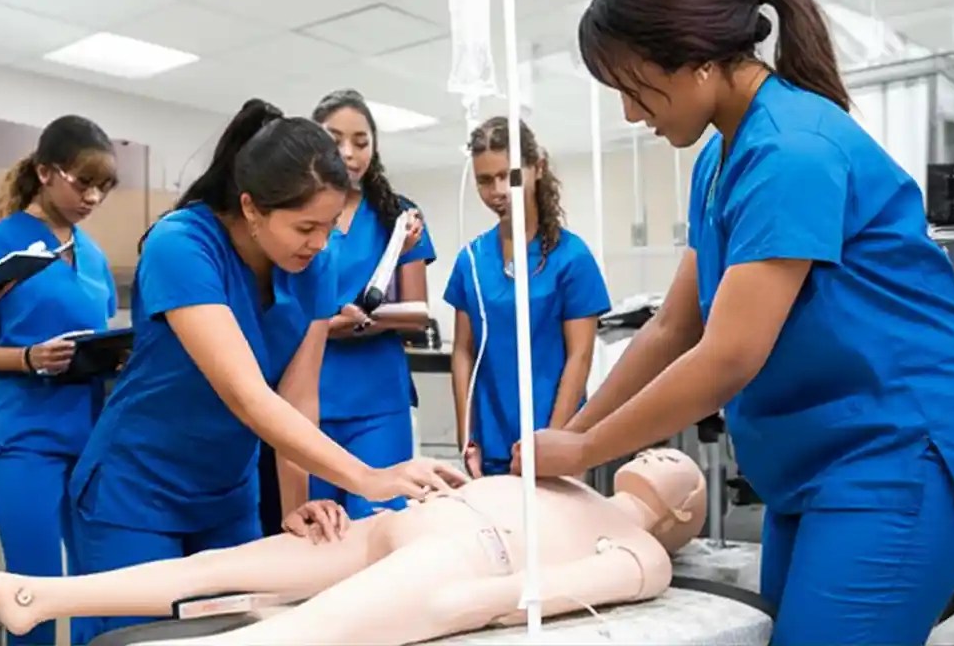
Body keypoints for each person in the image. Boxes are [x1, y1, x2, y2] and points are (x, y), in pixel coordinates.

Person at [517, 0, 954, 646]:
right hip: (819, 461)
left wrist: (583, 455)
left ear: (698, 61)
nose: (632, 113)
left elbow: (727, 356)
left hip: (904, 451)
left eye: (636, 87)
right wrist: (574, 434)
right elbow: (674, 327)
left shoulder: (791, 149)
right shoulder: (721, 158)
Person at [64, 98, 467, 640]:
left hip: (227, 495)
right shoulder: (181, 245)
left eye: (328, 227)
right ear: (252, 209)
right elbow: (250, 396)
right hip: (136, 492)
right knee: (140, 636)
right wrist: (369, 477)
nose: (321, 243)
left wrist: (294, 509)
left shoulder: (313, 265)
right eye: (306, 227)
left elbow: (299, 397)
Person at [0, 448, 705, 646]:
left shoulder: (645, 549)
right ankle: (40, 595)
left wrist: (465, 606)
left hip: (475, 557)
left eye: (686, 476)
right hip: (426, 517)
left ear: (682, 518)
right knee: (219, 567)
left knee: (304, 632)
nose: (672, 461)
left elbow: (565, 587)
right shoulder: (574, 480)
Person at [0, 115, 119, 645]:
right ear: (44, 172)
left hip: (89, 439)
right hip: (24, 440)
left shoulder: (95, 255)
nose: (91, 197)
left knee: (99, 589)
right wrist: (28, 359)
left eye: (103, 188)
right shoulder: (1, 244)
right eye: (82, 181)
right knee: (33, 596)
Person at [446, 118, 610, 478]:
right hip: (490, 441)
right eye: (485, 181)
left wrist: (553, 439)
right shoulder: (471, 261)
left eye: (509, 175)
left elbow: (579, 356)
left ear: (537, 168)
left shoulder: (572, 258)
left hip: (554, 438)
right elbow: (462, 352)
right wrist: (466, 437)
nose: (498, 191)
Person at [304, 88, 437, 520]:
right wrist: (326, 325)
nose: (349, 153)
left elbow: (417, 311)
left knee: (379, 522)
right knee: (316, 528)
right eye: (335, 139)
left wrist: (360, 320)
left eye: (361, 141)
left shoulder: (398, 216)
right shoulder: (295, 212)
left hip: (379, 402)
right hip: (308, 398)